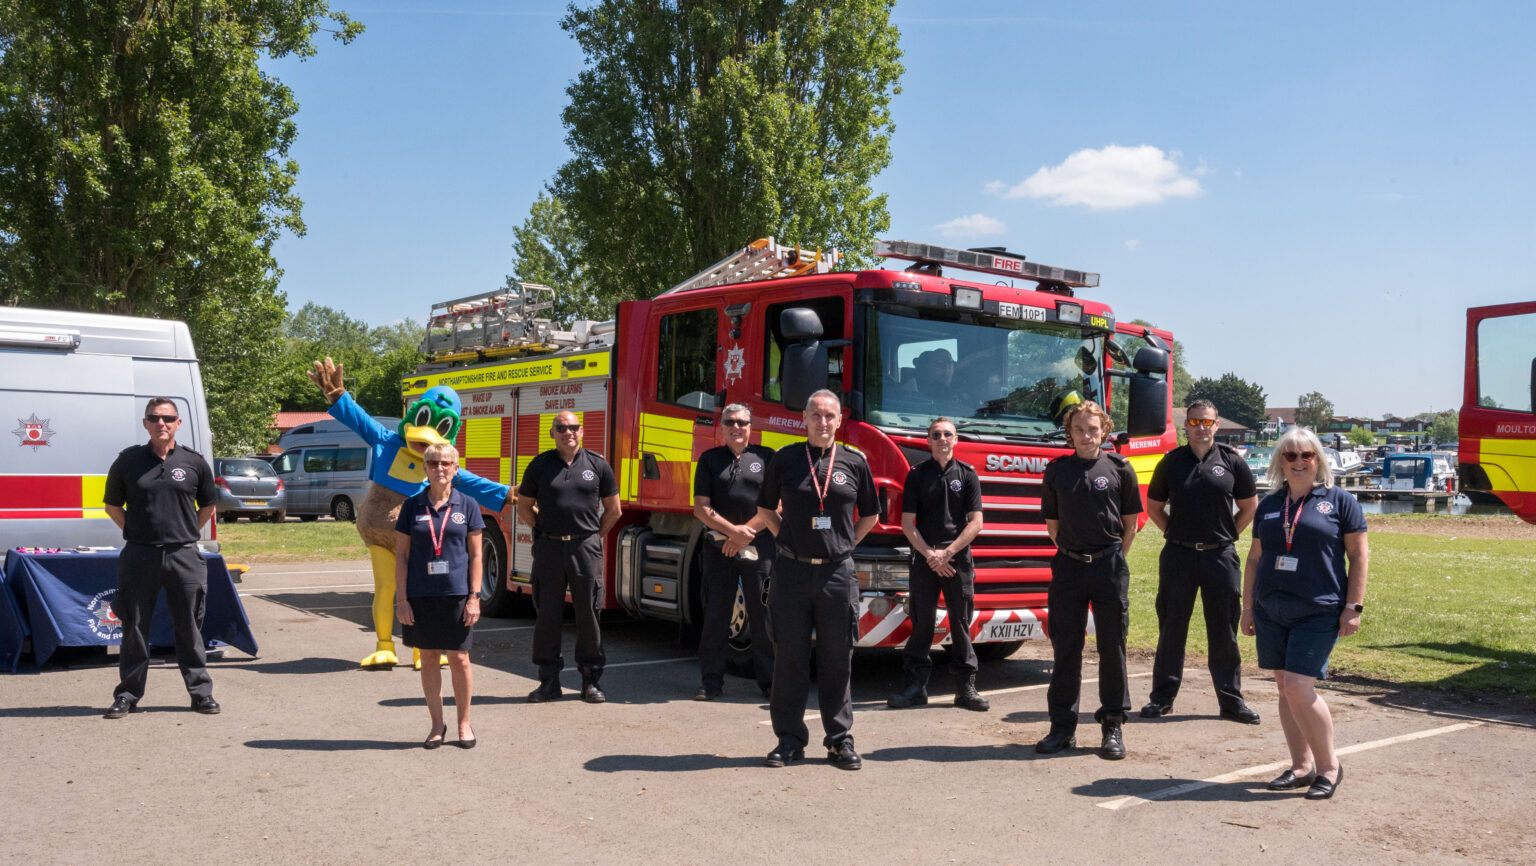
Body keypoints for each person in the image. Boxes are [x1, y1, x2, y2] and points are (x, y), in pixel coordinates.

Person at [1242, 426, 1369, 800]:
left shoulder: (1340, 501)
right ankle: (1301, 766)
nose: (1298, 462)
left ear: (1318, 459)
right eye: (1290, 455)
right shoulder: (1268, 504)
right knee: (1284, 688)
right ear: (1280, 461)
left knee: (1299, 686)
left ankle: (1329, 767)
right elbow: (1254, 559)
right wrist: (1247, 606)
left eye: (1306, 455)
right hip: (1271, 608)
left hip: (1319, 608)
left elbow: (1359, 556)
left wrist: (1353, 607)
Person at [758, 389, 879, 770]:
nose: (822, 422)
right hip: (791, 572)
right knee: (789, 658)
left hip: (837, 574)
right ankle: (789, 741)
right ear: (804, 419)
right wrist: (784, 539)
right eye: (815, 415)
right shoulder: (786, 459)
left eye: (829, 415)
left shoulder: (855, 462)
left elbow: (870, 515)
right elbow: (764, 507)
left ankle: (839, 741)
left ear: (839, 420)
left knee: (837, 659)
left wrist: (843, 546)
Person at [1142, 400, 1262, 724]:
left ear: (1217, 424)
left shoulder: (1233, 462)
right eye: (1194, 423)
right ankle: (1162, 698)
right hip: (1178, 555)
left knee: (1223, 630)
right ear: (1186, 426)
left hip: (1219, 557)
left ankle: (1231, 701)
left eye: (1206, 422)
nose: (1201, 428)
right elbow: (1154, 507)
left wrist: (1226, 535)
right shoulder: (1171, 462)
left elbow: (1249, 507)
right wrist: (1176, 533)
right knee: (1171, 629)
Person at [101, 397, 221, 719]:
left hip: (184, 556)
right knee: (135, 628)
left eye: (168, 418)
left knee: (189, 629)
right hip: (140, 557)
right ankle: (127, 695)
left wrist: (186, 534)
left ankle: (200, 694)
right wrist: (137, 534)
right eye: (154, 418)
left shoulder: (194, 462)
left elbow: (208, 506)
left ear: (178, 423)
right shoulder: (128, 462)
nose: (161, 423)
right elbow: (112, 505)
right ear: (145, 424)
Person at [1036, 400, 1142, 759]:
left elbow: (1131, 525)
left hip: (1109, 566)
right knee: (1066, 649)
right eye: (1079, 429)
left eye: (1093, 430)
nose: (1086, 435)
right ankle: (1062, 729)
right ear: (1070, 432)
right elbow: (1053, 526)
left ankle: (1112, 725)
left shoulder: (1120, 468)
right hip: (1068, 568)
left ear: (1104, 431)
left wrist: (1110, 558)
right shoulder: (1056, 471)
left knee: (1112, 646)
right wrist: (1075, 554)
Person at [518, 411, 621, 704]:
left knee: (589, 614)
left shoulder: (598, 465)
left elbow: (614, 510)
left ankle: (590, 682)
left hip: (584, 549)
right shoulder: (540, 465)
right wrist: (542, 528)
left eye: (573, 427)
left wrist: (592, 537)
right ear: (553, 433)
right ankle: (549, 682)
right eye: (561, 428)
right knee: (547, 616)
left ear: (582, 431)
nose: (568, 432)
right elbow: (524, 506)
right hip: (549, 549)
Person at [888, 416, 989, 712]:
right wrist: (931, 555)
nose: (942, 438)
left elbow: (976, 523)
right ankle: (915, 687)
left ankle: (966, 689)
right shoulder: (917, 475)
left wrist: (947, 553)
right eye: (936, 434)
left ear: (956, 440)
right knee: (921, 623)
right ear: (929, 440)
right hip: (924, 559)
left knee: (960, 622)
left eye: (948, 434)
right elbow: (908, 524)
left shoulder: (968, 475)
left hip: (957, 560)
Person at [394, 443, 484, 748]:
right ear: (425, 468)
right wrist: (402, 600)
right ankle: (436, 725)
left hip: (457, 594)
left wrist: (474, 596)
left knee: (460, 658)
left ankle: (464, 723)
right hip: (421, 595)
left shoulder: (468, 505)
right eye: (433, 463)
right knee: (429, 656)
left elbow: (476, 556)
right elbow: (402, 557)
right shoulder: (411, 507)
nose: (440, 468)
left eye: (446, 463)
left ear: (456, 468)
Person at [691, 404, 777, 700]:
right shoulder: (710, 459)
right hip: (720, 548)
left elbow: (777, 505)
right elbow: (701, 507)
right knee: (716, 616)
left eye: (742, 422)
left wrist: (745, 534)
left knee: (764, 614)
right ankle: (710, 683)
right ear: (722, 426)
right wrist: (733, 533)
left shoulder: (766, 457)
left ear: (751, 426)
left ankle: (770, 683)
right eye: (730, 422)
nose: (736, 427)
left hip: (762, 548)